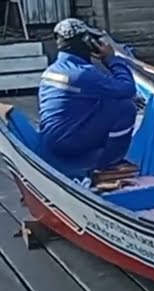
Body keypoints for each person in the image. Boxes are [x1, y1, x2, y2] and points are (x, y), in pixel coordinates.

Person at [38, 19, 137, 177]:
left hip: (50, 141)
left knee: (107, 101)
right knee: (125, 107)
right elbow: (128, 89)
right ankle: (109, 165)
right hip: (69, 143)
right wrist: (112, 60)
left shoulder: (51, 70)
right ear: (87, 42)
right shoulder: (83, 73)